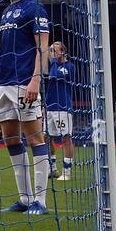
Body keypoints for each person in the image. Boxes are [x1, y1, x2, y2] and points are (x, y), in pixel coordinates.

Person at [0, 0, 53, 215]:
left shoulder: (34, 8)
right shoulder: (6, 12)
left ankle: (40, 201)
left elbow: (43, 47)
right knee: (10, 139)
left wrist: (36, 80)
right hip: (3, 82)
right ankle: (25, 199)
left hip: (24, 82)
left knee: (35, 138)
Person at [45, 42, 76, 181]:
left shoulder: (69, 67)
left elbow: (58, 76)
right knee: (46, 137)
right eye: (50, 50)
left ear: (62, 51)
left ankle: (67, 172)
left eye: (54, 50)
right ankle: (52, 169)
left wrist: (55, 62)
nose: (51, 53)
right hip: (49, 107)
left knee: (66, 139)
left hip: (63, 108)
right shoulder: (52, 64)